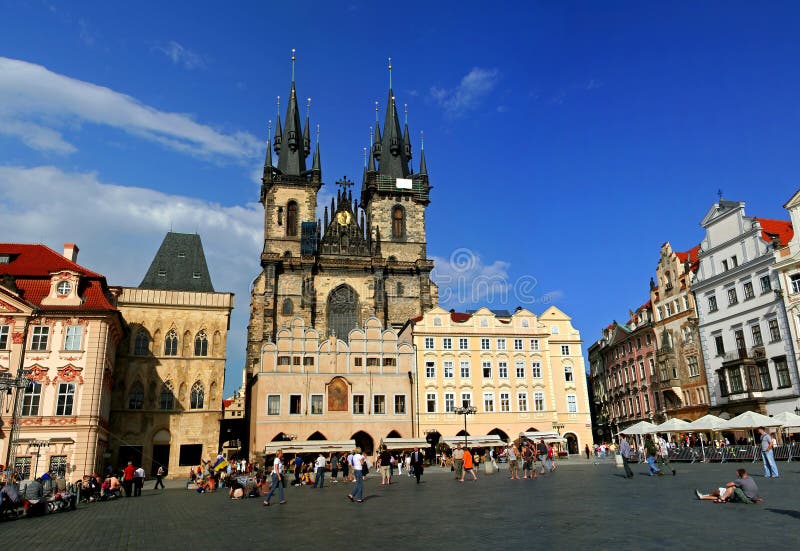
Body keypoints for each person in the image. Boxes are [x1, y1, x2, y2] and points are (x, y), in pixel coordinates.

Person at [695, 469, 761, 503]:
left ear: (740, 474)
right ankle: (702, 497)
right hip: (752, 497)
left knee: (720, 490)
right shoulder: (750, 478)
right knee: (722, 495)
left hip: (742, 497)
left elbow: (728, 484)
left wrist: (735, 483)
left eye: (737, 473)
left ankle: (706, 495)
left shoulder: (739, 481)